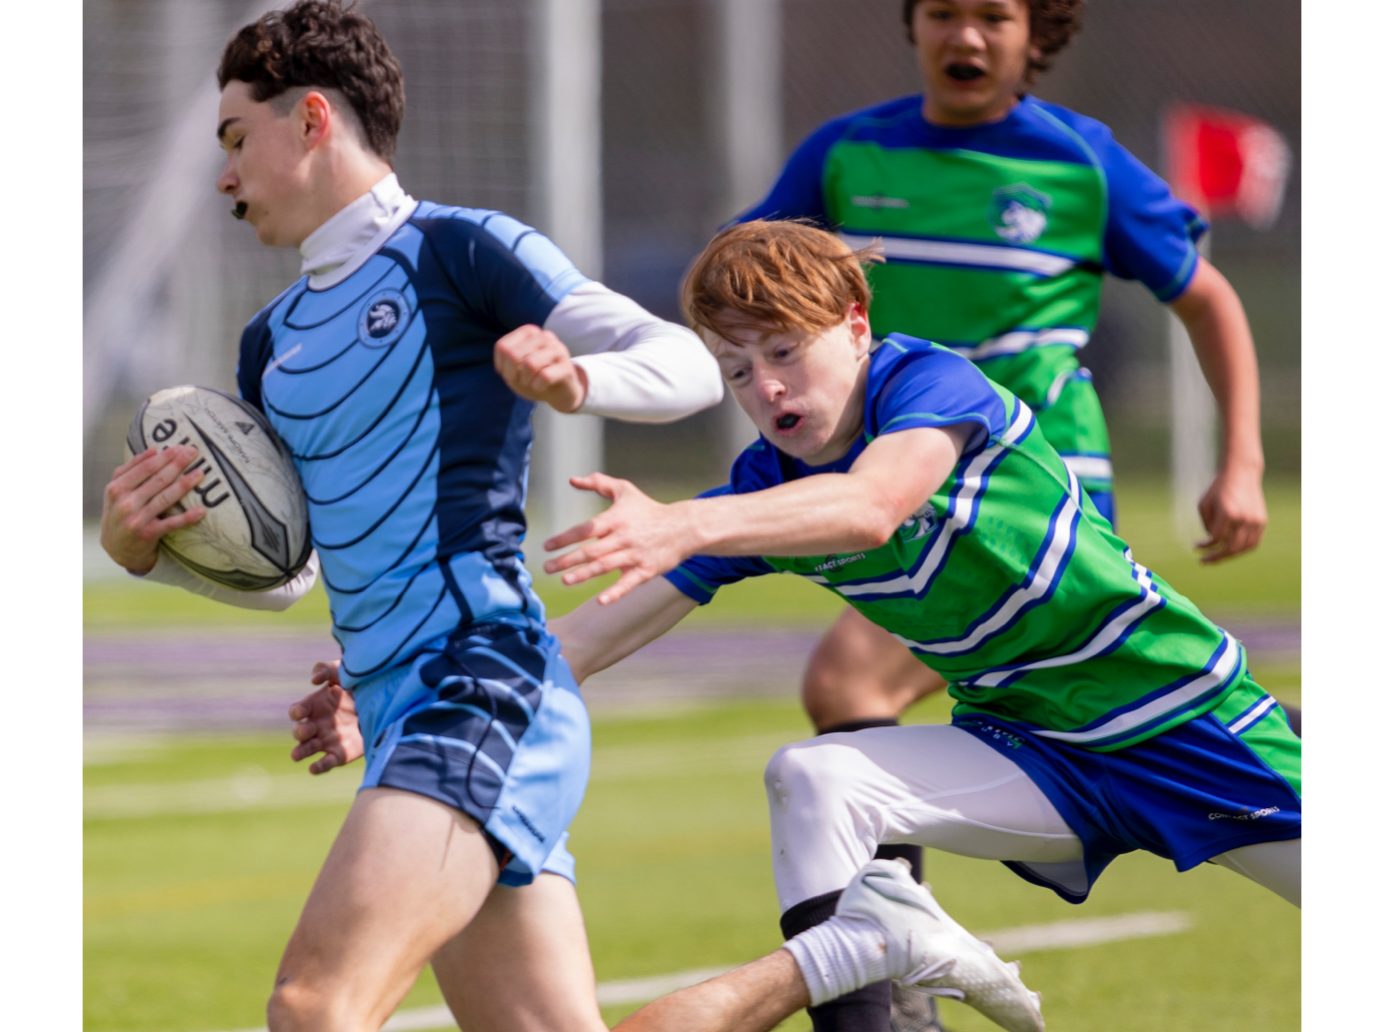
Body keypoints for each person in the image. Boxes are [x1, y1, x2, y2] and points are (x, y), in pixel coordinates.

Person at [295, 220, 1299, 1032]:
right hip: (1042, 750)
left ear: (857, 328)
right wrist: (404, 697)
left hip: (1188, 725)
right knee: (818, 778)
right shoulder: (768, 487)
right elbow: (580, 646)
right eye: (736, 371)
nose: (765, 388)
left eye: (785, 351)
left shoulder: (931, 387)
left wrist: (684, 520)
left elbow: (871, 507)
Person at [97, 3, 725, 1030]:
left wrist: (577, 383)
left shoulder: (463, 251)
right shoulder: (269, 341)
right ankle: (847, 952)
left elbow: (691, 364)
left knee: (315, 1006)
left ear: (309, 121)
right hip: (400, 715)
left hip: (485, 684)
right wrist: (144, 548)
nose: (222, 177)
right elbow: (292, 569)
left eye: (234, 140)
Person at [732, 9, 1284, 1022]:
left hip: (1028, 496)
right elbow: (747, 284)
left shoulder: (1080, 161)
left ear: (1039, 33)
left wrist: (1242, 459)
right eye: (945, 10)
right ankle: (896, 947)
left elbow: (1208, 299)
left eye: (995, 13)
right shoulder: (848, 153)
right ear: (914, 26)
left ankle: (891, 971)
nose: (968, 35)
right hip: (893, 488)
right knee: (936, 720)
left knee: (850, 678)